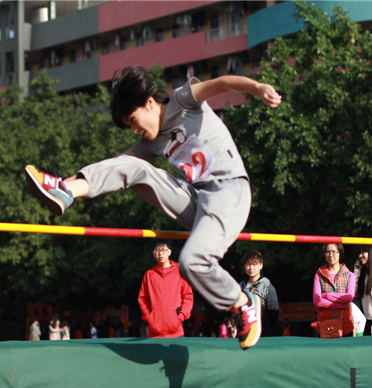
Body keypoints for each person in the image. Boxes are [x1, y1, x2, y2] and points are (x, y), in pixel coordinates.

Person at [25, 66, 281, 350]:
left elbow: (221, 83)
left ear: (149, 103)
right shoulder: (150, 142)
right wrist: (66, 183)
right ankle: (64, 190)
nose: (136, 130)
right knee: (133, 166)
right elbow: (114, 166)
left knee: (191, 261)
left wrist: (258, 88)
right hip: (198, 202)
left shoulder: (182, 100)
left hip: (229, 192)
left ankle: (243, 304)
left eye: (134, 121)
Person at [138, 240, 194, 337]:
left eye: (163, 250)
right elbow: (142, 299)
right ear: (153, 254)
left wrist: (180, 317)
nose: (160, 253)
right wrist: (149, 317)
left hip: (176, 333)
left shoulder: (180, 272)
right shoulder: (149, 275)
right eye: (157, 250)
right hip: (154, 333)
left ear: (169, 252)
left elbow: (188, 297)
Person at [312, 243, 356, 336]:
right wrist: (341, 304)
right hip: (325, 326)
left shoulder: (349, 275)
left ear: (340, 253)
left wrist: (326, 295)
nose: (331, 255)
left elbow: (349, 297)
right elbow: (317, 301)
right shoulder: (319, 275)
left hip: (346, 326)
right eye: (327, 252)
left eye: (334, 252)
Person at [239, 250, 280, 337]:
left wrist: (265, 328)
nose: (251, 268)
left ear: (261, 265)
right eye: (248, 264)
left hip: (262, 333)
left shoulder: (267, 285)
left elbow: (274, 312)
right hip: (244, 333)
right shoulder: (241, 285)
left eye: (254, 264)